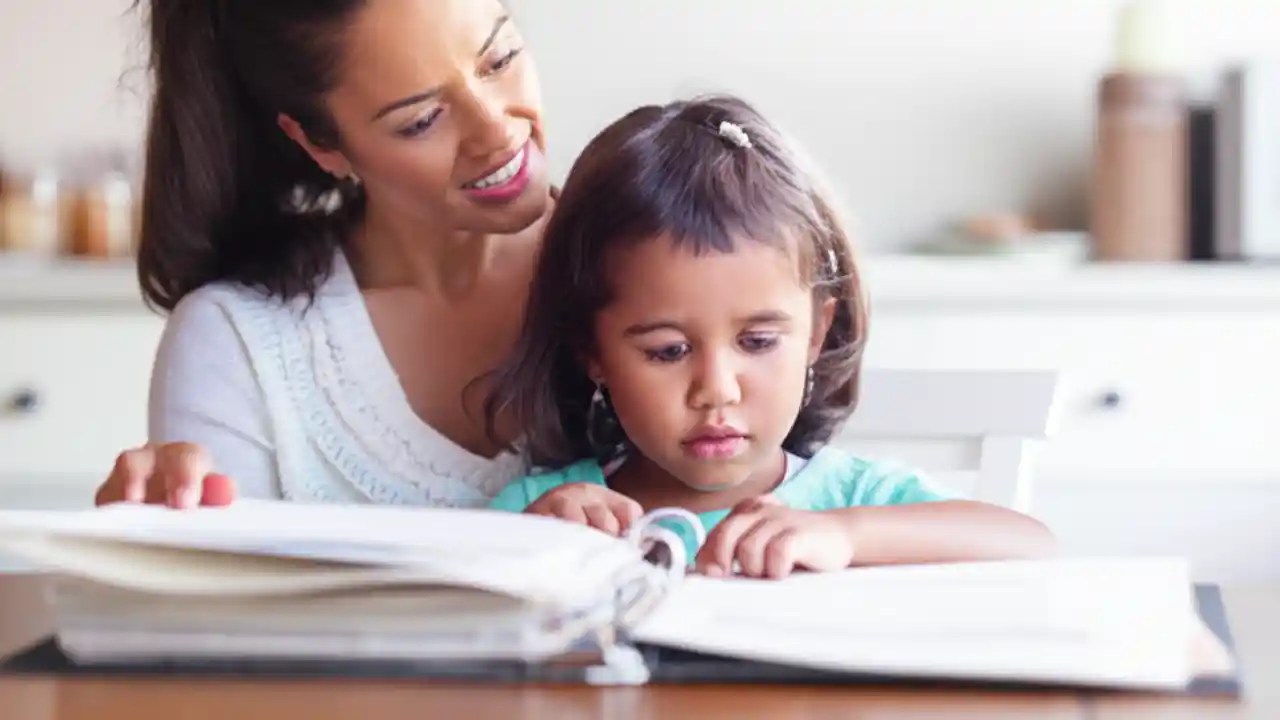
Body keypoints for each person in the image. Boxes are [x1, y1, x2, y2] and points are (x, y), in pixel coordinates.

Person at [486, 96, 1055, 579]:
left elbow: (1031, 546)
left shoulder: (850, 500)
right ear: (594, 354)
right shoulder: (547, 513)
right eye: (668, 351)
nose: (717, 390)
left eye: (757, 342)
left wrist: (846, 538)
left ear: (817, 332)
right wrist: (528, 548)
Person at [96, 0, 553, 508]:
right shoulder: (241, 343)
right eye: (421, 120)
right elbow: (220, 582)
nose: (496, 131)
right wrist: (156, 551)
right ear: (321, 144)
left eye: (500, 60)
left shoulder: (644, 262)